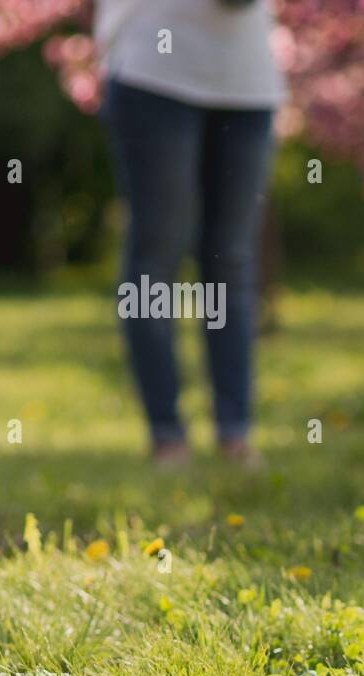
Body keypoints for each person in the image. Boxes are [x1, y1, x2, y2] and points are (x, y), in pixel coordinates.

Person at [96, 0, 283, 466]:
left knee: (230, 261)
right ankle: (167, 434)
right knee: (156, 255)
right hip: (154, 70)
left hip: (247, 79)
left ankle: (234, 432)